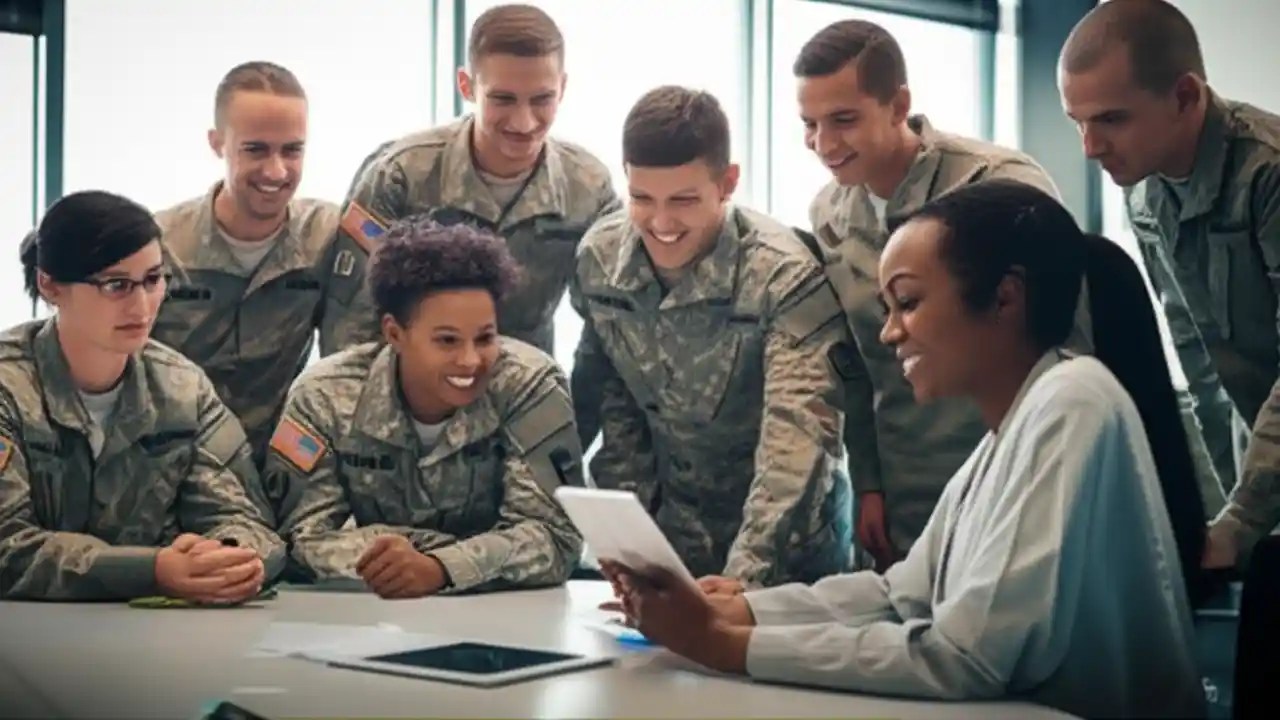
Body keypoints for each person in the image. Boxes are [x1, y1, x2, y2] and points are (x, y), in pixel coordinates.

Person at [601, 180, 1208, 719]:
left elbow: (965, 658)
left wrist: (723, 645)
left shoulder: (1072, 401)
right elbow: (901, 596)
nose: (890, 332)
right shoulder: (1012, 426)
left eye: (909, 303)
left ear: (1004, 298)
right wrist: (744, 610)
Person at [793, 19, 1083, 571]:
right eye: (809, 124)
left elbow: (1067, 350)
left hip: (1014, 479)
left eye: (844, 120)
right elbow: (855, 361)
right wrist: (870, 482)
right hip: (905, 495)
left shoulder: (998, 187)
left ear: (899, 104)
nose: (824, 144)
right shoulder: (828, 213)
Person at [572, 85, 853, 588]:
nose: (660, 223)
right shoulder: (600, 260)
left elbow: (799, 437)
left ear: (727, 182)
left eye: (683, 200)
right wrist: (629, 549)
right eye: (641, 198)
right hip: (667, 548)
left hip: (787, 561)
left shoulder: (783, 275)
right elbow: (612, 408)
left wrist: (746, 578)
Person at [326, 3, 619, 448]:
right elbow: (351, 327)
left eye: (542, 99)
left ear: (563, 88)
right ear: (466, 85)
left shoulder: (588, 187)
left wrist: (569, 429)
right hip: (409, 421)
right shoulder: (403, 174)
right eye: (502, 99)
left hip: (519, 415)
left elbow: (612, 325)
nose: (523, 122)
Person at [1059, 0, 1280, 570]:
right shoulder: (1143, 193)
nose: (1090, 148)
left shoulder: (1269, 174)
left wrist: (1241, 520)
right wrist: (1222, 509)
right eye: (1077, 122)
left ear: (1185, 96)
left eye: (1111, 119)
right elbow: (1200, 357)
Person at [268, 217, 584, 598]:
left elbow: (555, 537)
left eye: (485, 338)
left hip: (501, 614)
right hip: (368, 619)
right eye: (447, 341)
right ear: (394, 334)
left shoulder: (529, 386)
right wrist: (410, 561)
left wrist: (441, 567)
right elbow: (300, 538)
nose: (470, 361)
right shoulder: (323, 397)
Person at [0, 190, 285, 602]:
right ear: (50, 285)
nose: (142, 305)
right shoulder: (9, 387)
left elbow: (247, 520)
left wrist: (226, 560)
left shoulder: (182, 390)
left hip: (153, 640)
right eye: (116, 285)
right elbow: (7, 545)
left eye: (153, 280)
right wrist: (150, 570)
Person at [152, 61, 344, 483]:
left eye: (292, 150)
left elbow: (353, 360)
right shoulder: (160, 245)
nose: (276, 171)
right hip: (166, 471)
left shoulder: (327, 237)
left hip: (274, 472)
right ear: (217, 143)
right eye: (256, 149)